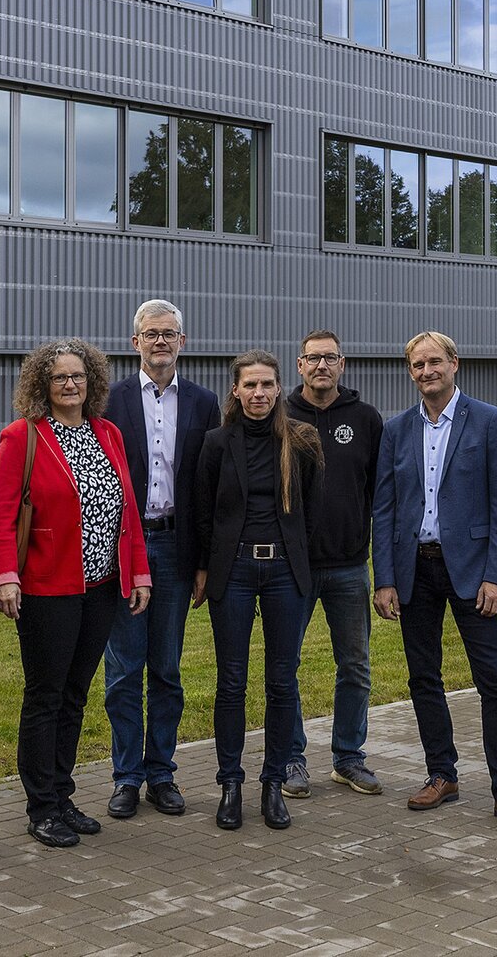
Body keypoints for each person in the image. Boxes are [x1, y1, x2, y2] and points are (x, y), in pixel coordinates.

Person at [0, 340, 153, 847]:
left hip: (101, 587)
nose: (69, 384)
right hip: (45, 587)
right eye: (58, 377)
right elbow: (1, 513)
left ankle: (62, 794)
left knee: (76, 696)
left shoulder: (108, 433)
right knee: (45, 696)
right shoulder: (23, 436)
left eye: (77, 375)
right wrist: (4, 575)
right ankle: (41, 806)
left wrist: (139, 573)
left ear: (92, 381)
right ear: (42, 384)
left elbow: (128, 511)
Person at [371, 331, 497, 833]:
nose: (427, 371)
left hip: (473, 572)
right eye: (418, 365)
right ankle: (442, 774)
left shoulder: (489, 422)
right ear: (410, 372)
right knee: (424, 677)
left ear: (454, 364)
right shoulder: (396, 429)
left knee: (495, 681)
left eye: (434, 362)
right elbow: (384, 507)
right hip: (414, 569)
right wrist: (385, 578)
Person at [191, 350, 321, 832]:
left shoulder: (300, 442)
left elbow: (313, 513)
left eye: (267, 385)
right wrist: (203, 569)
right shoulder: (216, 444)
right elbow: (203, 513)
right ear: (236, 391)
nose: (259, 394)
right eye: (250, 386)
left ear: (279, 388)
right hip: (235, 573)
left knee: (283, 681)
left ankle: (273, 783)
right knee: (232, 682)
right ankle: (230, 783)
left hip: (285, 573)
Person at [102, 298, 221, 819]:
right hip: (124, 546)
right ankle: (127, 776)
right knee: (125, 667)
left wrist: (203, 563)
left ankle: (162, 773)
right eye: (151, 334)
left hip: (176, 547)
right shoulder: (109, 399)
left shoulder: (204, 403)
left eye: (169, 334)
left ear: (183, 342)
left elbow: (210, 485)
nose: (160, 342)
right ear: (135, 343)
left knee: (167, 669)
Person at [280, 330, 385, 798]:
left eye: (330, 358)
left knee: (355, 665)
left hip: (348, 566)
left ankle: (348, 757)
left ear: (342, 364)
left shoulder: (365, 419)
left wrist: (383, 573)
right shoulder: (279, 416)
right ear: (299, 365)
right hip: (292, 567)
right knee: (286, 666)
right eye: (312, 358)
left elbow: (381, 498)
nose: (321, 366)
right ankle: (291, 759)